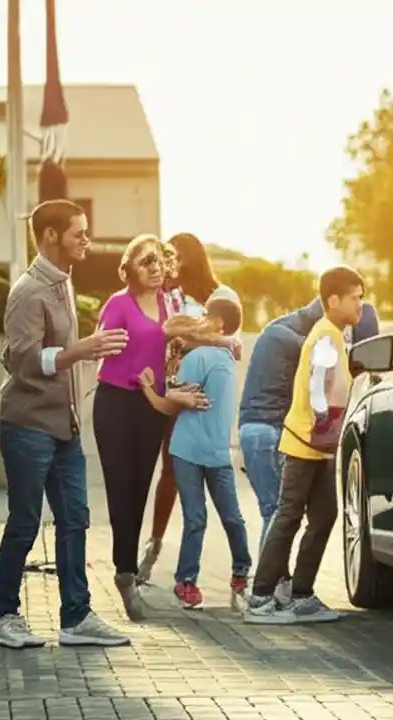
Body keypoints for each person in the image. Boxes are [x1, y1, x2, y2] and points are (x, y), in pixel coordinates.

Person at [0, 199, 131, 648]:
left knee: (75, 520)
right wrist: (79, 351)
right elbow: (24, 360)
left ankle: (76, 617)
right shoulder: (28, 291)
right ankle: (2, 617)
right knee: (26, 521)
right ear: (51, 235)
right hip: (27, 426)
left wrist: (86, 354)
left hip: (63, 427)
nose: (86, 238)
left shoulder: (63, 282)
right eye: (78, 232)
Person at [93, 234, 207, 620]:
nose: (156, 267)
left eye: (159, 260)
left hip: (150, 405)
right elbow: (104, 346)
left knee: (140, 486)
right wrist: (118, 349)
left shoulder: (169, 303)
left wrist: (224, 340)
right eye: (146, 261)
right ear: (127, 270)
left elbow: (191, 332)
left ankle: (125, 572)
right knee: (119, 486)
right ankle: (124, 570)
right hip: (113, 402)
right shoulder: (118, 304)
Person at [244, 266, 365, 624]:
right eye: (355, 298)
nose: (361, 305)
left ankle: (301, 595)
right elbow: (316, 385)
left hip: (319, 445)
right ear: (333, 300)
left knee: (325, 515)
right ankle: (261, 599)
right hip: (305, 441)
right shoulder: (326, 335)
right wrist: (325, 421)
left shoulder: (334, 335)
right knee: (288, 516)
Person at [237, 298, 380, 577]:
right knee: (281, 514)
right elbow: (318, 392)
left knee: (289, 513)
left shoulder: (285, 331)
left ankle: (281, 590)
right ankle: (269, 591)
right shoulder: (311, 340)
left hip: (267, 430)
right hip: (277, 432)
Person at [137, 232, 241, 584]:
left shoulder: (221, 297)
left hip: (201, 397)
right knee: (164, 471)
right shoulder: (163, 297)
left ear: (191, 258)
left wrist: (198, 337)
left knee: (194, 478)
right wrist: (206, 335)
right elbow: (166, 332)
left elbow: (234, 343)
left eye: (174, 258)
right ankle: (152, 546)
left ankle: (237, 567)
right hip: (168, 389)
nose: (167, 266)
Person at [138, 297, 251, 610]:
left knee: (211, 518)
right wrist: (154, 388)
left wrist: (154, 390)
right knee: (216, 518)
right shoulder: (219, 354)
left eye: (207, 315)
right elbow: (173, 400)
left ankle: (199, 579)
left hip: (204, 452)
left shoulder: (208, 356)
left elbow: (167, 402)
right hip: (190, 452)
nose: (201, 318)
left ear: (221, 323)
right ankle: (202, 579)